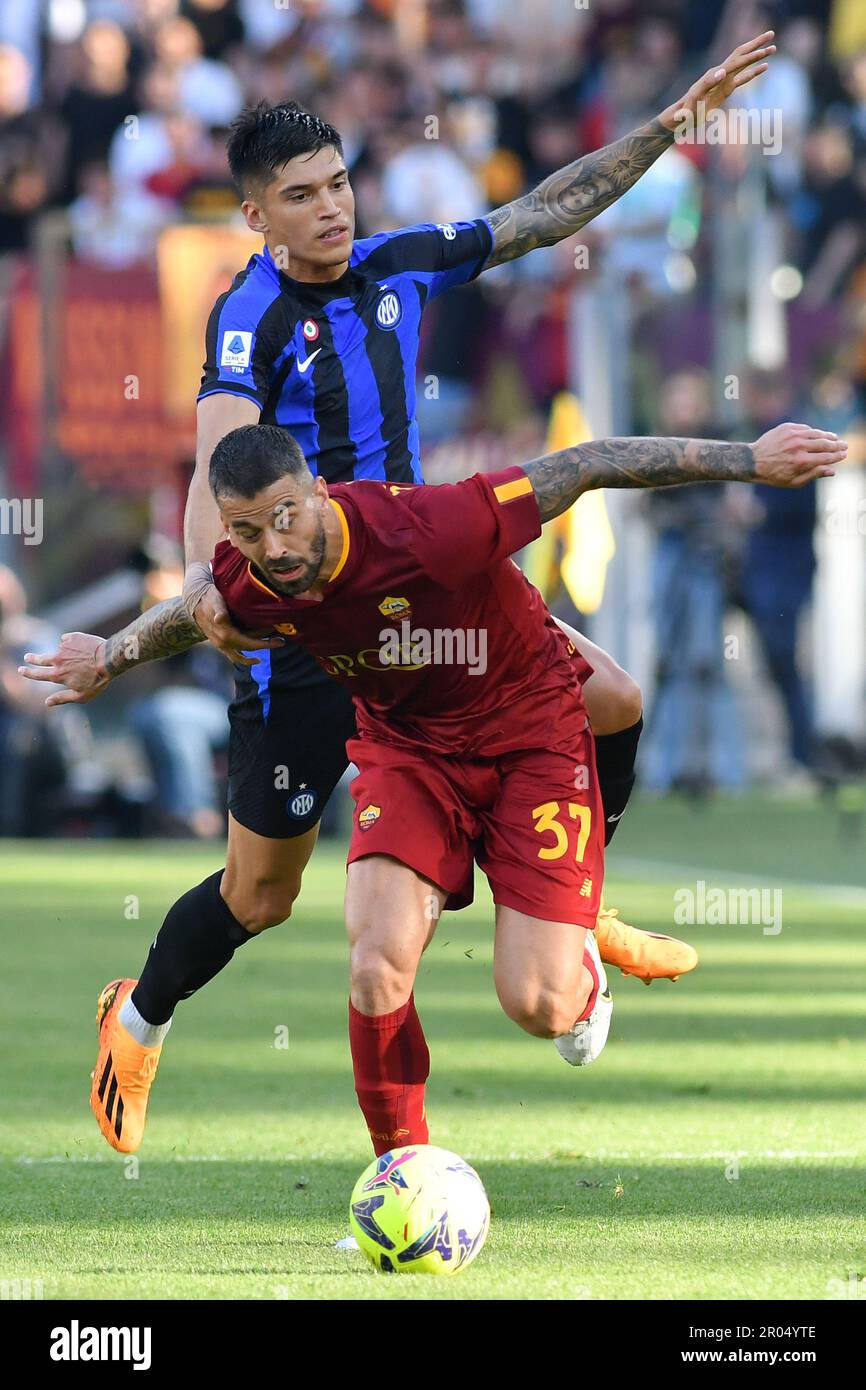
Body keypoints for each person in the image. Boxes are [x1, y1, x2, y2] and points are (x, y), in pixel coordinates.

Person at [21, 31, 776, 1150]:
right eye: (300, 196)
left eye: (338, 185)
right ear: (255, 217)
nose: (330, 209)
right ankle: (136, 1017)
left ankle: (564, 896)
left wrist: (670, 123)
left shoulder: (397, 260)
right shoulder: (249, 319)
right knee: (260, 895)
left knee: (608, 697)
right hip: (302, 631)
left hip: (422, 580)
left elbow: (549, 212)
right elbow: (217, 460)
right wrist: (203, 585)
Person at [85, 416, 843, 1155]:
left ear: (318, 489)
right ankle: (402, 1171)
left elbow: (586, 463)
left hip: (530, 738)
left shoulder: (432, 528)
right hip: (408, 753)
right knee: (376, 962)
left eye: (285, 517)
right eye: (248, 533)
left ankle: (576, 937)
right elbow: (183, 622)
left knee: (539, 1006)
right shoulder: (252, 579)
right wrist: (110, 656)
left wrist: (750, 459)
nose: (274, 548)